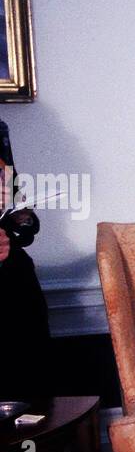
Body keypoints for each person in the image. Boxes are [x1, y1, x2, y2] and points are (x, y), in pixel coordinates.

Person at [0, 119, 51, 400]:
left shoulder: (0, 131)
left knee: (30, 396)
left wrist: (22, 217)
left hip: (15, 286)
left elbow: (24, 227)